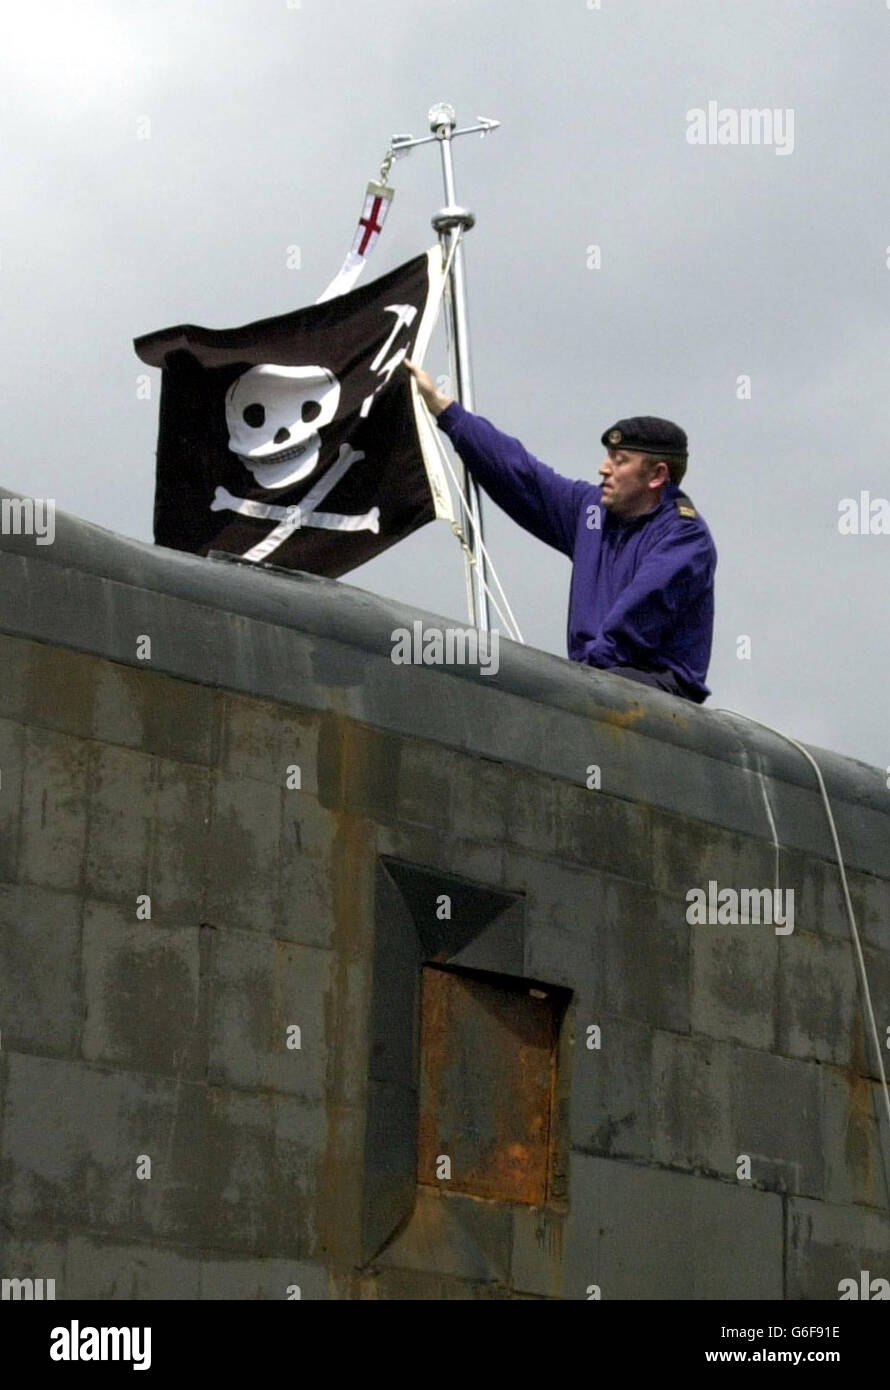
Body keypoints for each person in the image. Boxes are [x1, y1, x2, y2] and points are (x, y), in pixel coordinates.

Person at [404, 360, 717, 703]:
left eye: (619, 460)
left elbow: (635, 622)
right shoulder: (592, 513)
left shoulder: (685, 539)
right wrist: (446, 411)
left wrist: (571, 681)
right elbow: (521, 476)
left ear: (657, 475)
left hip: (657, 694)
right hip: (594, 679)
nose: (604, 468)